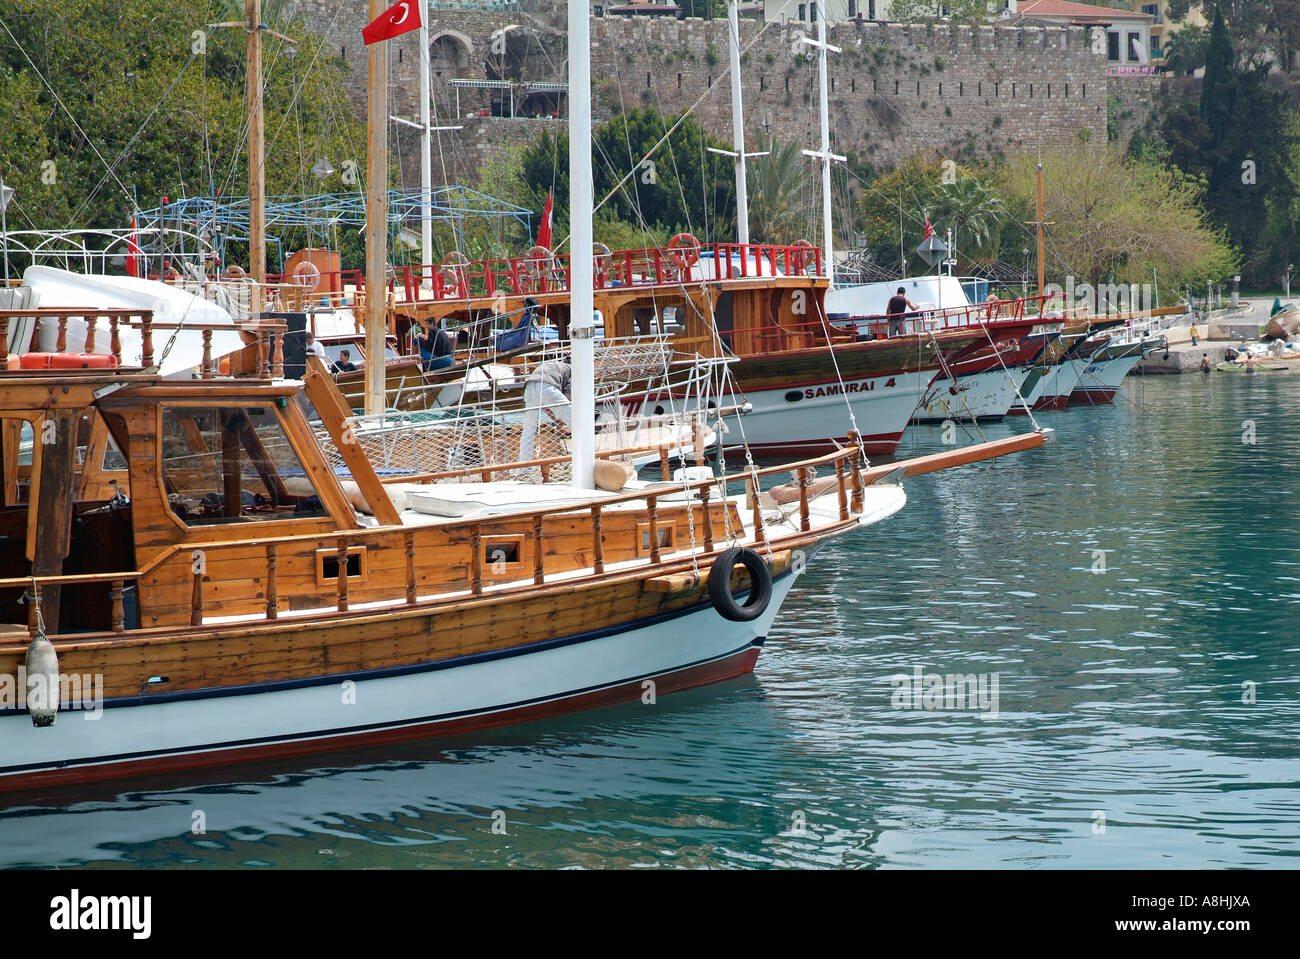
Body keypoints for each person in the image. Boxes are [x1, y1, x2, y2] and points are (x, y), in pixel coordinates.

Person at [518, 360, 572, 466]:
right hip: (548, 387)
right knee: (576, 422)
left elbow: (546, 404)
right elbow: (567, 397)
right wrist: (562, 424)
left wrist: (558, 423)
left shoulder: (552, 365)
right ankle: (590, 457)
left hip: (529, 388)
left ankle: (523, 468)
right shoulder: (572, 370)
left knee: (529, 430)